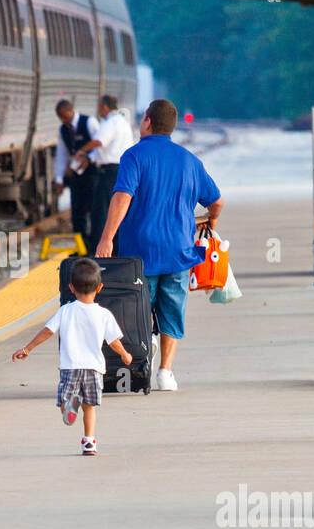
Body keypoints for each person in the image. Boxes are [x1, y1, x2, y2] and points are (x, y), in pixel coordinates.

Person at [95, 98, 223, 392]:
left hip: (141, 252)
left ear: (148, 122)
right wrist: (211, 220)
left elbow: (122, 198)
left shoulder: (134, 156)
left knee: (138, 309)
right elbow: (216, 200)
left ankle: (142, 358)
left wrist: (106, 238)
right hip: (179, 251)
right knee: (173, 310)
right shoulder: (189, 160)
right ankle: (166, 373)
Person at [11, 258, 131, 456]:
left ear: (71, 287)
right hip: (94, 368)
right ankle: (89, 442)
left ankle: (69, 405)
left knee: (64, 403)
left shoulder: (65, 311)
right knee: (90, 407)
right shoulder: (104, 314)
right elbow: (113, 341)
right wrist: (125, 354)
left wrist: (27, 348)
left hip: (70, 367)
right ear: (100, 287)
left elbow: (47, 331)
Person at [82, 95, 136, 254]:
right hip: (119, 170)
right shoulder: (122, 122)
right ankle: (117, 248)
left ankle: (100, 250)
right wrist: (90, 157)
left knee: (102, 212)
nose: (98, 110)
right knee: (118, 212)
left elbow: (99, 141)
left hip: (109, 173)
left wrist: (82, 151)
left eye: (99, 106)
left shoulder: (110, 123)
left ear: (104, 107)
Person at [53, 100, 102, 252]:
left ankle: (94, 247)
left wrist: (89, 158)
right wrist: (59, 178)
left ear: (71, 111)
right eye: (61, 118)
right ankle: (81, 248)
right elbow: (61, 155)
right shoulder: (63, 130)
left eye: (65, 116)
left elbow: (101, 145)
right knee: (77, 213)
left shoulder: (89, 122)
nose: (64, 120)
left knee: (95, 211)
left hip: (94, 173)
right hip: (77, 175)